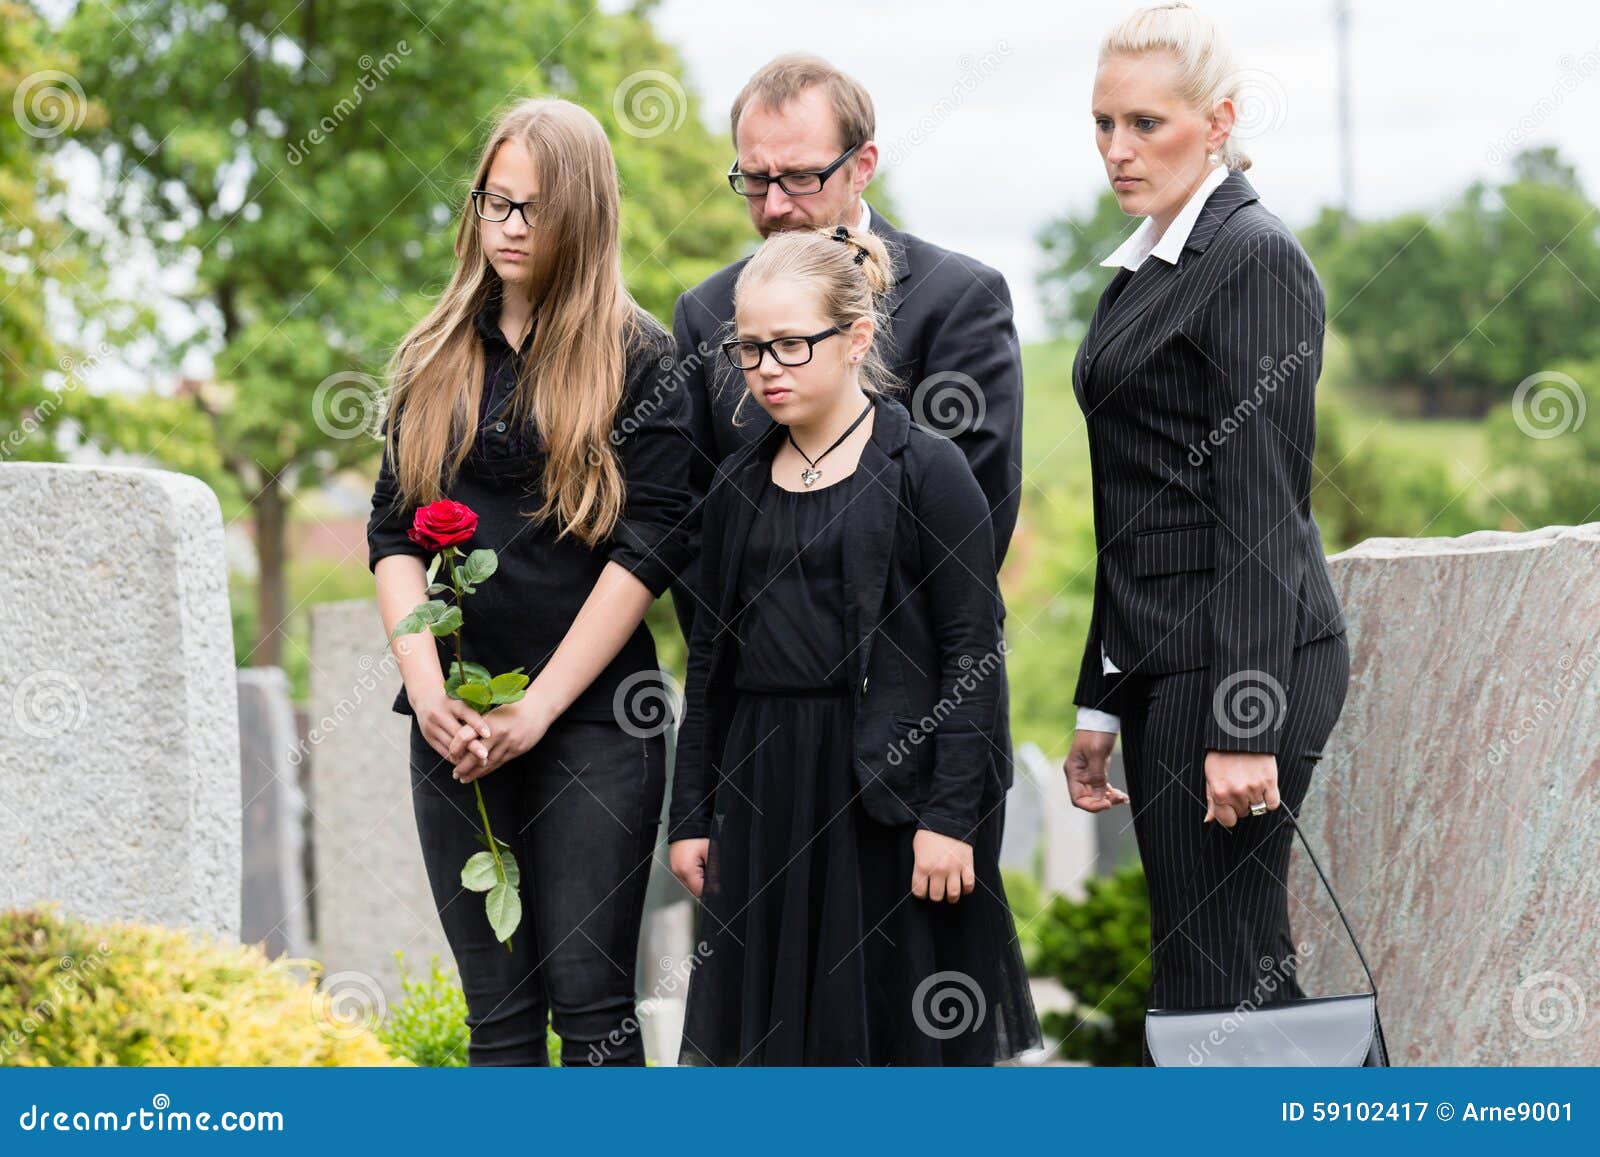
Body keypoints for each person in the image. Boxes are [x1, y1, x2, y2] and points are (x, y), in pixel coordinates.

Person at [366, 97, 695, 1066]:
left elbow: (646, 549)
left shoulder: (642, 360)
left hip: (596, 718)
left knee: (591, 1006)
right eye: (493, 201)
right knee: (497, 1016)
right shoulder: (433, 354)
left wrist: (540, 708)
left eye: (533, 208)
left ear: (583, 214)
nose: (508, 226)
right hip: (454, 718)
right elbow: (390, 534)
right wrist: (429, 695)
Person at [667, 224, 1040, 1066]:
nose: (766, 368)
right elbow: (711, 664)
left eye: (792, 345)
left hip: (886, 793)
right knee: (772, 1046)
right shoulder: (736, 485)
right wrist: (689, 815)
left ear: (858, 337)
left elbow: (971, 650)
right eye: (749, 349)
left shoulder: (927, 470)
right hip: (765, 791)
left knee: (892, 1038)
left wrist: (951, 819)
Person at [1060, 3, 1351, 1065]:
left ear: (1218, 119)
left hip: (1236, 668)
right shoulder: (1148, 264)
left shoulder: (1253, 256)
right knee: (1220, 977)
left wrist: (1244, 718)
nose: (1117, 149)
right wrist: (1100, 693)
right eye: (1102, 123)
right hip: (1163, 664)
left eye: (1145, 122)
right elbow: (1123, 505)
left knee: (1212, 982)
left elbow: (1265, 507)